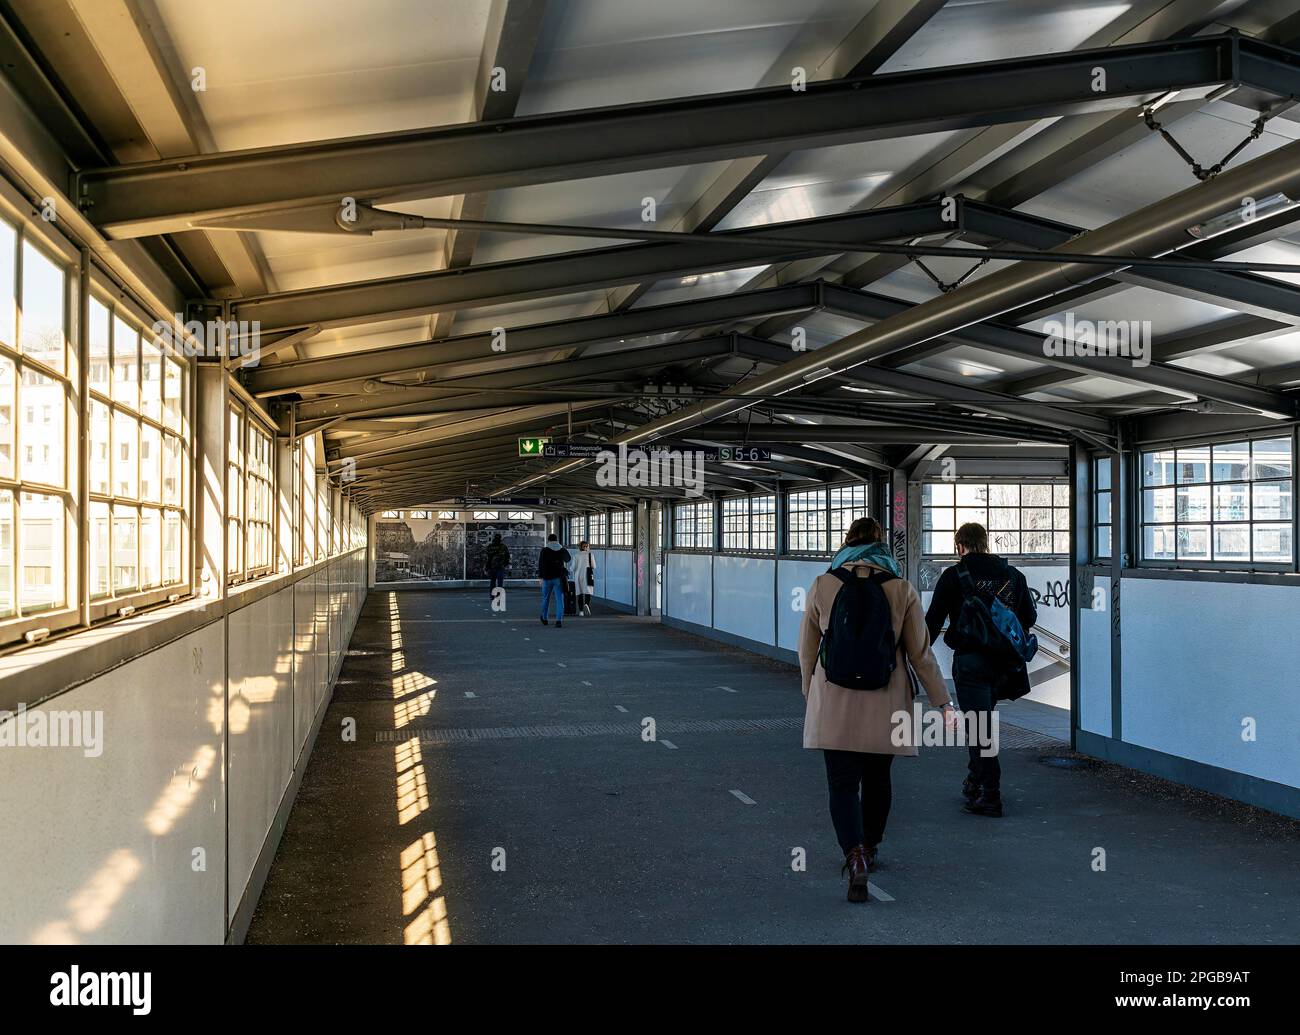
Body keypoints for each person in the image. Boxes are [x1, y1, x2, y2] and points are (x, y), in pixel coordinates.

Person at [799, 517, 955, 903]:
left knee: (841, 782)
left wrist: (810, 693)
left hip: (834, 699)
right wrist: (943, 702)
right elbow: (920, 653)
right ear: (882, 546)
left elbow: (807, 649)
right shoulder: (902, 589)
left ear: (847, 544)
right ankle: (869, 847)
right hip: (887, 702)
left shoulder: (824, 584)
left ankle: (853, 858)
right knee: (878, 778)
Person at [924, 521, 1037, 818]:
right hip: (1005, 665)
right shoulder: (1012, 575)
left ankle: (991, 795)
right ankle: (975, 781)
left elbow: (933, 621)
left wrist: (916, 655)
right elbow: (1028, 616)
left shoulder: (953, 576)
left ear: (959, 546)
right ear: (985, 543)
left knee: (979, 728)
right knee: (981, 724)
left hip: (971, 662)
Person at [538, 533, 571, 628]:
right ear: (557, 540)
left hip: (547, 578)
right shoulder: (562, 549)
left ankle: (544, 618)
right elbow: (568, 559)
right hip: (558, 578)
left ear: (548, 540)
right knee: (559, 600)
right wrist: (563, 550)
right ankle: (558, 620)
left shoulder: (544, 550)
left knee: (545, 598)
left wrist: (540, 577)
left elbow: (541, 564)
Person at [571, 541, 596, 615]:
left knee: (580, 593)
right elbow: (594, 566)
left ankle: (581, 611)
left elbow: (573, 568)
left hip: (578, 576)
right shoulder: (590, 555)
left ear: (580, 547)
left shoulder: (576, 555)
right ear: (587, 547)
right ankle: (586, 605)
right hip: (587, 575)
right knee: (588, 591)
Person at [486, 533, 510, 599]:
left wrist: (487, 567)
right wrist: (505, 564)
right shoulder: (503, 547)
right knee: (499, 582)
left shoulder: (490, 546)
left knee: (493, 582)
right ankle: (498, 595)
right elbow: (507, 556)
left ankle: (492, 595)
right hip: (500, 566)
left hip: (493, 567)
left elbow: (488, 557)